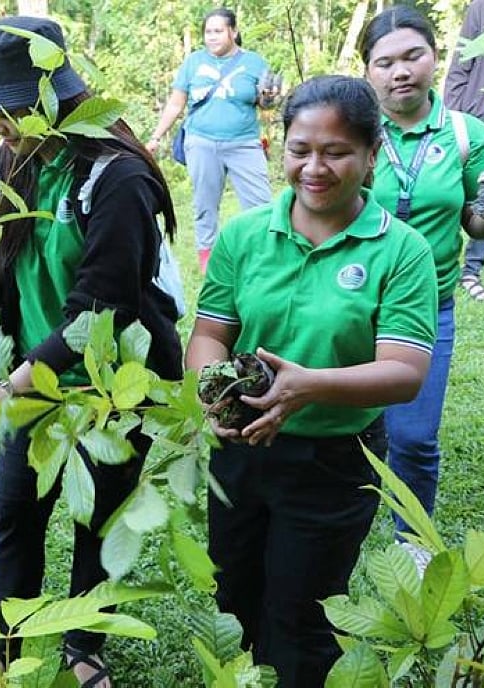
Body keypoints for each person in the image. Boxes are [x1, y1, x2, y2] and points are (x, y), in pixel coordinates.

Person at [0, 17, 183, 688]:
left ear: (54, 92)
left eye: (10, 106)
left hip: (111, 383)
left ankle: (82, 646)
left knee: (97, 520)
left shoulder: (115, 175)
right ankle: (6, 653)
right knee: (17, 515)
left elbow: (101, 310)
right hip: (32, 380)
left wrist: (12, 386)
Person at [186, 75, 438, 687]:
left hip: (333, 459)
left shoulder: (400, 250)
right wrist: (208, 394)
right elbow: (209, 335)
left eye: (335, 152)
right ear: (281, 148)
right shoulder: (244, 236)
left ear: (371, 155)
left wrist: (305, 387)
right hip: (241, 448)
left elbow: (404, 373)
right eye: (301, 150)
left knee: (303, 612)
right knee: (235, 593)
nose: (314, 168)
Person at [359, 6, 484, 567]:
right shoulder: (353, 127)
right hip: (349, 303)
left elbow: (476, 224)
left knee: (413, 437)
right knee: (351, 431)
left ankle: (412, 545)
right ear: (367, 71)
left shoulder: (469, 134)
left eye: (413, 55)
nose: (400, 72)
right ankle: (330, 532)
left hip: (425, 309)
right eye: (384, 62)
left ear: (437, 57)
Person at [146, 8, 278, 272]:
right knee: (205, 204)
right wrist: (155, 137)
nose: (212, 37)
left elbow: (265, 104)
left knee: (260, 203)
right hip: (201, 142)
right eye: (208, 32)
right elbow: (175, 104)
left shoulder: (253, 62)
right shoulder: (193, 62)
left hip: (244, 143)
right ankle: (208, 261)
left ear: (233, 32)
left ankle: (263, 254)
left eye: (218, 31)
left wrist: (270, 96)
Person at [444, 0, 484, 301]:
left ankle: (471, 271)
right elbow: (459, 67)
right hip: (477, 115)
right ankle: (462, 271)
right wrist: (449, 120)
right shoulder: (483, 6)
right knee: (472, 193)